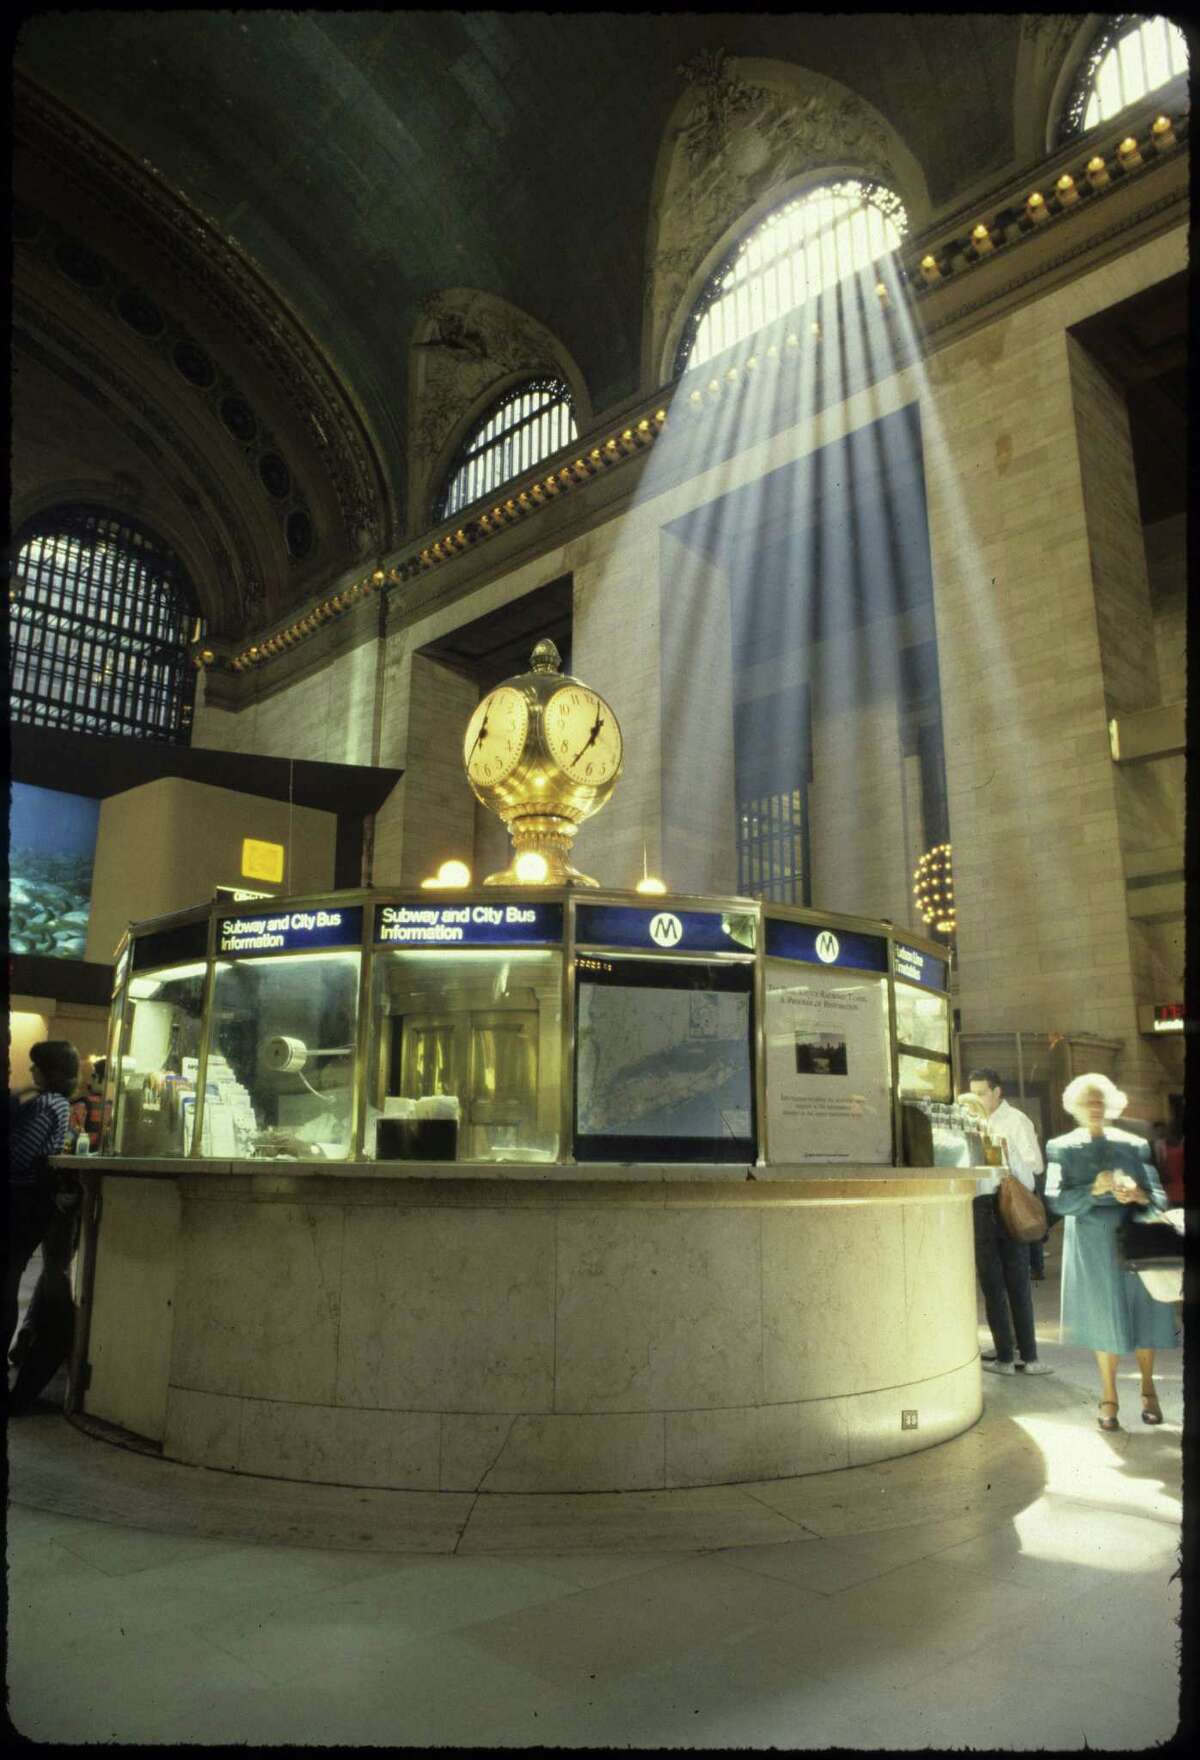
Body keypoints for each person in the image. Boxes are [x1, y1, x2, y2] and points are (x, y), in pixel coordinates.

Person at [1044, 1072, 1176, 1430]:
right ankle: (1109, 1396)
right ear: (1075, 1107)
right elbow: (1055, 1200)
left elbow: (1159, 1195)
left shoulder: (1134, 1144)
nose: (1095, 1107)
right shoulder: (1060, 1146)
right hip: (1091, 1242)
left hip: (1136, 1237)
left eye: (1100, 1100)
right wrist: (1094, 1189)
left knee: (1145, 1314)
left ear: (1112, 1104)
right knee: (1105, 1318)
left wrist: (1138, 1194)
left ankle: (1149, 1390)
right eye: (1088, 1102)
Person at [5, 1042, 81, 1398]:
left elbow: (19, 1155)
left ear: (48, 1071)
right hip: (31, 1206)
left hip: (19, 1204)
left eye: (36, 1067)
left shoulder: (47, 1105)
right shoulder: (57, 1104)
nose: (31, 1071)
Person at [966, 1066, 1052, 1375]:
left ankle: (1029, 1357)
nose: (976, 1100)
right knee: (991, 1286)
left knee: (1017, 1284)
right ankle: (1004, 1355)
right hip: (980, 1206)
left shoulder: (1016, 1121)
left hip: (1009, 1203)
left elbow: (1036, 1164)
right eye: (972, 1094)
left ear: (997, 1091)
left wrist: (1003, 1153)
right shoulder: (969, 1121)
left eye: (981, 1094)